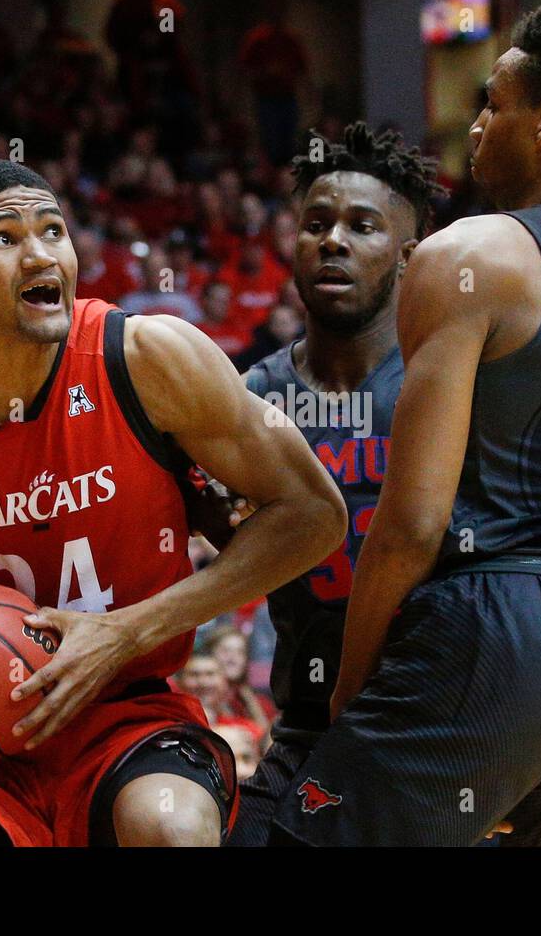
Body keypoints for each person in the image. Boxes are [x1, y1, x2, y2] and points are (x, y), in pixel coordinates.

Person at [269, 0, 541, 847]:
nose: (478, 122)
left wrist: (355, 686)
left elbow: (412, 520)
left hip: (500, 625)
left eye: (494, 102)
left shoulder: (474, 254)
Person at [0, 159, 345, 847]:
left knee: (169, 832)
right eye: (5, 237)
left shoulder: (148, 357)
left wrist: (129, 632)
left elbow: (315, 514)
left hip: (127, 714)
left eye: (53, 230)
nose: (41, 253)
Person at [227, 122, 437, 846]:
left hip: (434, 732)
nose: (333, 240)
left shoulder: (444, 386)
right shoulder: (250, 395)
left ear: (409, 258)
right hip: (307, 728)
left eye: (362, 225)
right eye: (316, 224)